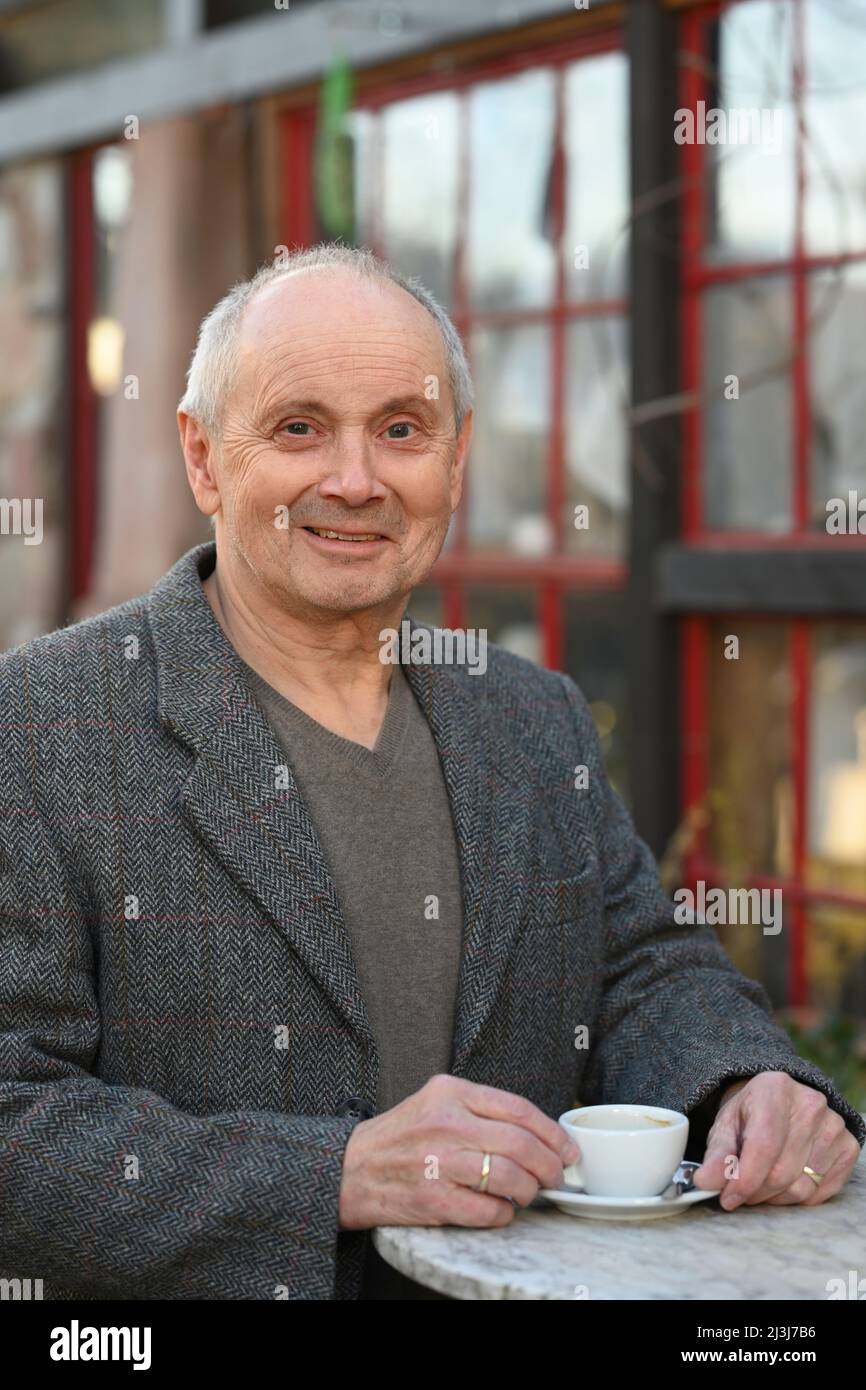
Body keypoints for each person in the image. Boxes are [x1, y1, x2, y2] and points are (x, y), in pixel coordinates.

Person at [0, 245, 862, 1301]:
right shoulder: (42, 725)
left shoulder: (530, 717)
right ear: (203, 456)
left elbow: (641, 967)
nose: (355, 480)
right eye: (298, 427)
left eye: (400, 431)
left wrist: (743, 1077)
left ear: (452, 462)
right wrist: (331, 1175)